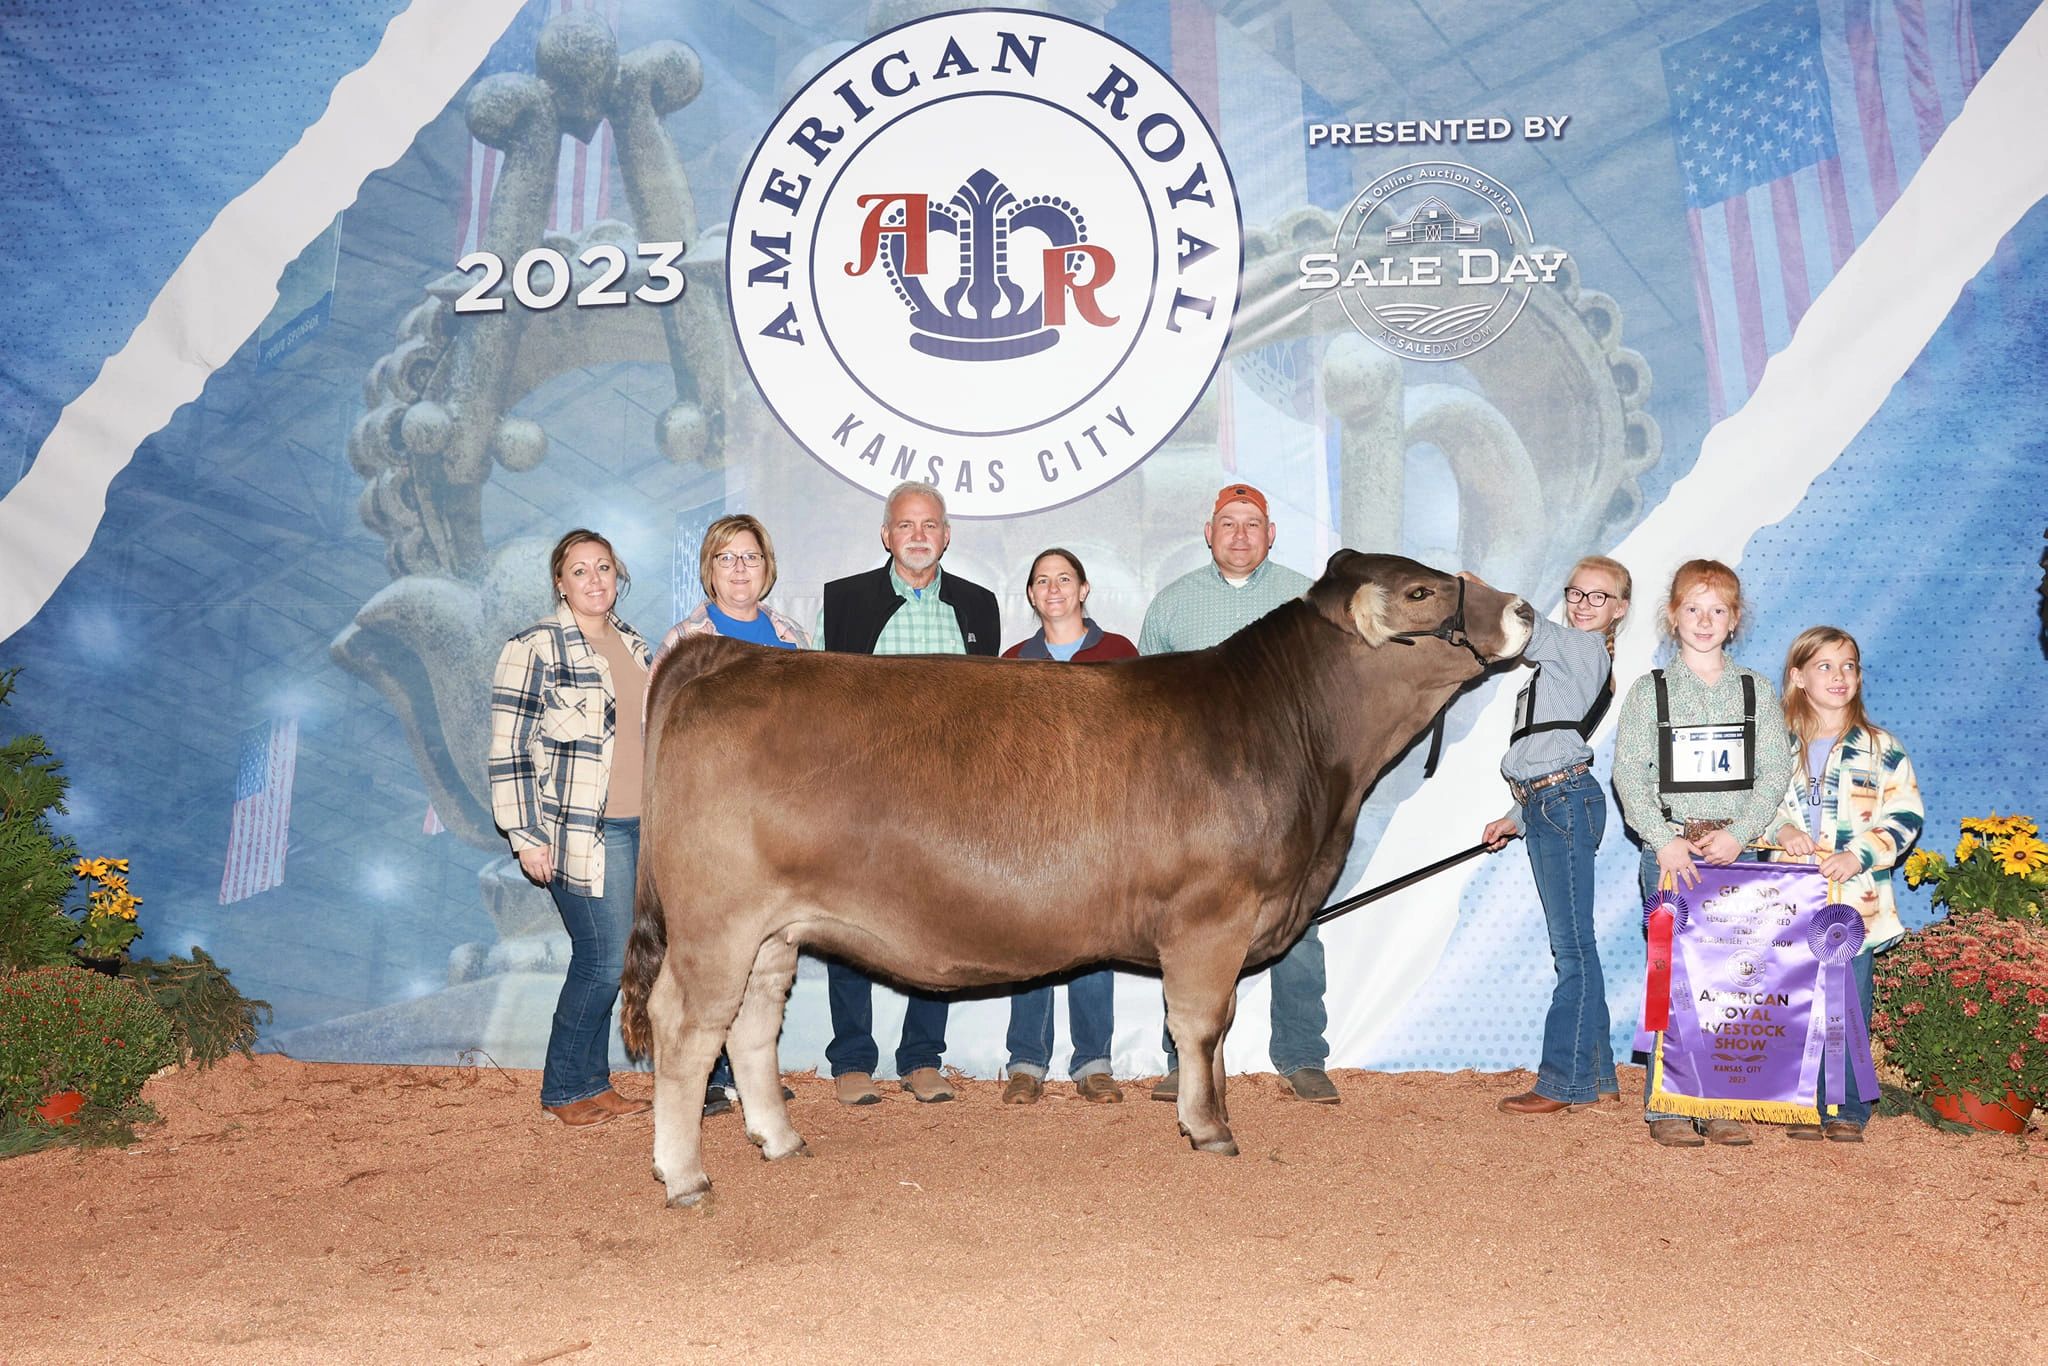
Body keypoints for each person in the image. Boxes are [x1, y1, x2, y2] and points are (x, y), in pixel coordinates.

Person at [1136, 483, 1337, 1105]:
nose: (1241, 534)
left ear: (1271, 534)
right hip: (1196, 797)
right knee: (1189, 922)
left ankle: (1302, 1054)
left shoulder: (1308, 602)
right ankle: (1185, 1060)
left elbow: (1334, 697)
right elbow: (1146, 703)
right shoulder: (1173, 605)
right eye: (1229, 523)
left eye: (1253, 523)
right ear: (1209, 532)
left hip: (1287, 794)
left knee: (1295, 920)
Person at [813, 481, 1000, 1106]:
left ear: (946, 536)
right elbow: (822, 702)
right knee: (847, 926)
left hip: (947, 802)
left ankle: (922, 1058)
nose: (918, 535)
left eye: (929, 525)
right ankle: (852, 1062)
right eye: (906, 524)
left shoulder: (980, 606)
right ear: (886, 535)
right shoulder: (841, 602)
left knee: (937, 925)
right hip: (860, 795)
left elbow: (989, 714)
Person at [1612, 558, 1795, 1148]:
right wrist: (1661, 841)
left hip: (1733, 855)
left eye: (1718, 610)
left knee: (1732, 978)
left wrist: (1739, 832)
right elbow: (1628, 775)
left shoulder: (1756, 691)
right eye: (1693, 608)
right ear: (1673, 615)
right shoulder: (1651, 692)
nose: (1704, 619)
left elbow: (1773, 772)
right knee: (1672, 977)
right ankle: (1666, 1104)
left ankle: (1723, 1102)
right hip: (1671, 851)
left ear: (1735, 620)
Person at [487, 529, 655, 1128]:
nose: (594, 580)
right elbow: (508, 751)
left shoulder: (636, 646)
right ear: (560, 582)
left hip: (639, 826)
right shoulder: (532, 648)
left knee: (608, 958)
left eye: (604, 568)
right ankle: (563, 1088)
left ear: (619, 575)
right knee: (603, 959)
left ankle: (593, 1082)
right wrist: (526, 836)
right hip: (578, 831)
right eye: (579, 571)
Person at [652, 513, 809, 1116]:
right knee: (710, 946)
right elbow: (657, 735)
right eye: (726, 558)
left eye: (749, 557)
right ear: (708, 570)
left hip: (783, 818)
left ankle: (753, 1074)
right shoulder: (685, 644)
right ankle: (703, 1074)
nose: (739, 568)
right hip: (711, 821)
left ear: (767, 568)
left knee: (772, 955)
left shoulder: (792, 637)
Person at [1477, 556, 1632, 1116]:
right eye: (1576, 593)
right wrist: (1515, 817)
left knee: (1572, 949)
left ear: (1619, 610)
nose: (1583, 604)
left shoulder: (1581, 646)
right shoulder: (1574, 660)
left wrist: (1478, 591)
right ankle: (1599, 1072)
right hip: (1552, 801)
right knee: (1577, 945)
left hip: (1562, 802)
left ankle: (1564, 1081)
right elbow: (1551, 748)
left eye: (1599, 597)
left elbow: (1519, 621)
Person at [1769, 626, 1923, 1142]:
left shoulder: (1883, 748)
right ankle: (1802, 1104)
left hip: (1853, 902)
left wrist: (1858, 856)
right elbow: (1756, 806)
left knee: (1849, 1003)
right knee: (1795, 999)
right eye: (1825, 666)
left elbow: (1904, 817)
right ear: (1798, 677)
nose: (1839, 676)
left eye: (1849, 666)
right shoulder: (1777, 746)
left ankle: (1848, 1107)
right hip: (1789, 897)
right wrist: (1781, 829)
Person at [997, 548, 1138, 1106]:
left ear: (1083, 589)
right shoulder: (1012, 661)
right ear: (1031, 596)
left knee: (1094, 943)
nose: (1053, 588)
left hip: (1099, 821)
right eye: (1041, 581)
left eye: (1064, 579)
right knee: (1030, 942)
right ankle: (1026, 1063)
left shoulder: (1118, 653)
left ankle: (1094, 1063)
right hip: (1032, 825)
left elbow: (1138, 735)